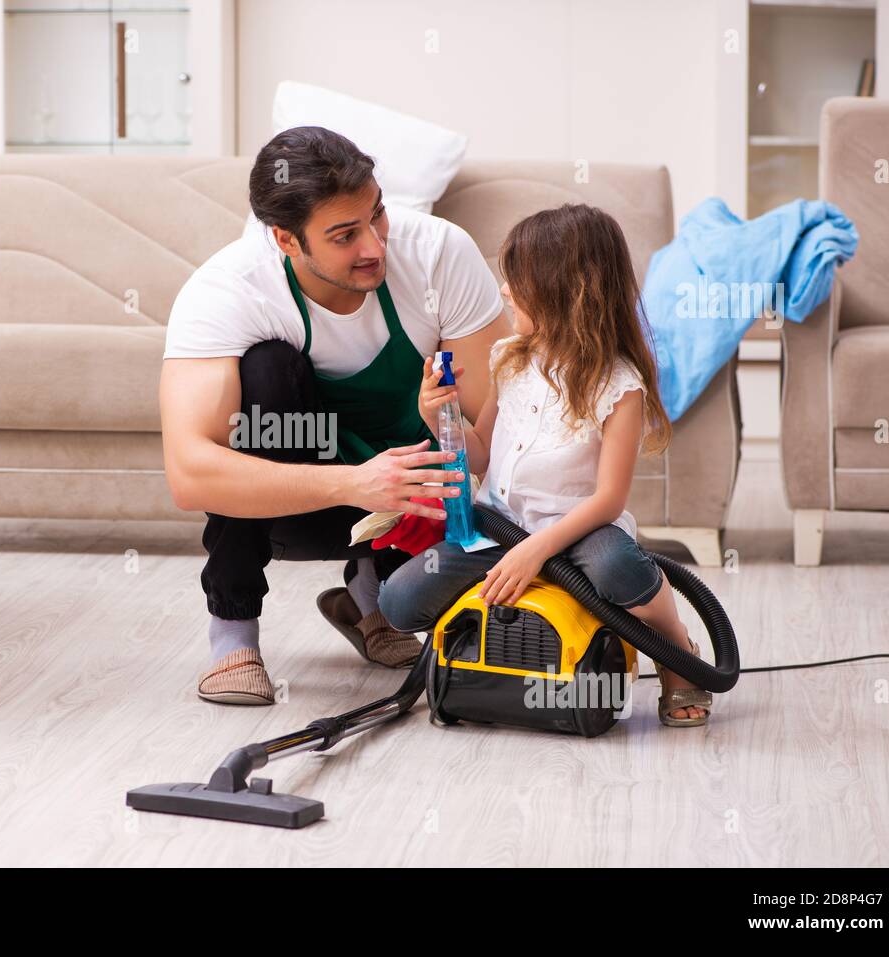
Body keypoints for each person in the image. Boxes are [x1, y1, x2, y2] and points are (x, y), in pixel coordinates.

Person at [160, 126, 504, 705]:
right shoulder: (230, 291)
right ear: (287, 241)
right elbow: (190, 475)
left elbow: (500, 432)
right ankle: (234, 634)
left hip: (410, 502)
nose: (374, 246)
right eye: (345, 235)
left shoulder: (439, 253)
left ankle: (372, 595)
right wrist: (360, 483)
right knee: (267, 368)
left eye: (377, 216)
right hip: (293, 509)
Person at [377, 203, 714, 727]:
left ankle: (674, 649)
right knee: (398, 602)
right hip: (499, 530)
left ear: (566, 291)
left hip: (580, 533)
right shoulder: (509, 358)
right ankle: (507, 631)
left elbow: (609, 500)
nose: (504, 289)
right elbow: (482, 455)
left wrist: (536, 552)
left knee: (618, 567)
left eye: (516, 280)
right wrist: (437, 415)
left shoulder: (618, 384)